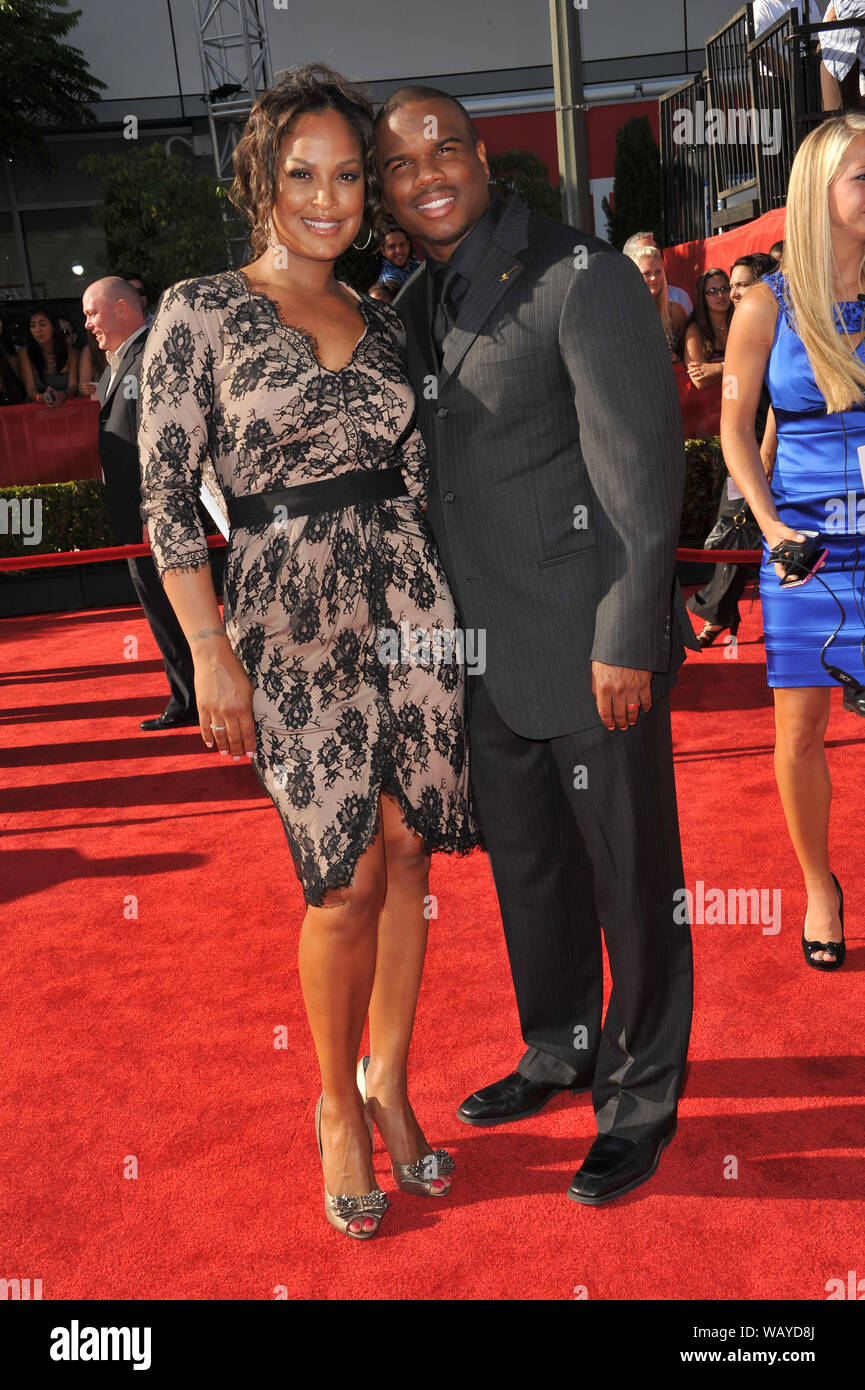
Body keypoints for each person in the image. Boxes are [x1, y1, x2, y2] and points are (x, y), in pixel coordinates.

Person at [137, 64, 478, 1241]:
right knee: (340, 875)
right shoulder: (199, 310)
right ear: (260, 181)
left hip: (410, 602)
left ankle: (389, 1076)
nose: (329, 198)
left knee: (406, 853)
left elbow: (428, 481)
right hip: (287, 618)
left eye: (346, 176)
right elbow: (168, 496)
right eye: (303, 176)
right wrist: (208, 652)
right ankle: (334, 1102)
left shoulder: (387, 316)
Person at [377, 86, 697, 1206]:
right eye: (402, 160)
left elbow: (640, 471)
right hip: (481, 656)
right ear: (385, 191)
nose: (427, 169)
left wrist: (626, 633)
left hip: (588, 644)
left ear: (481, 155)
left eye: (445, 146)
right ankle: (558, 1044)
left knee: (630, 877)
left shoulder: (580, 274)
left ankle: (642, 1093)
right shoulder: (413, 300)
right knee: (532, 873)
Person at [721, 111, 865, 972]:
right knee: (799, 729)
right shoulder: (762, 302)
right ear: (818, 192)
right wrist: (770, 524)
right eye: (861, 176)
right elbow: (735, 428)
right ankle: (818, 883)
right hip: (803, 544)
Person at [83, 275, 198, 733]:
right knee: (162, 608)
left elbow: (165, 440)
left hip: (159, 513)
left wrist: (156, 508)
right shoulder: (115, 364)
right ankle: (190, 697)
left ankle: (197, 698)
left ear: (122, 309)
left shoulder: (152, 353)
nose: (87, 323)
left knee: (181, 607)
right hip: (138, 515)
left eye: (93, 312)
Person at [688, 252, 778, 645]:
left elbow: (779, 396)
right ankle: (719, 611)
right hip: (744, 448)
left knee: (734, 525)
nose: (732, 293)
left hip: (766, 449)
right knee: (733, 525)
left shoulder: (774, 323)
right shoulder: (745, 323)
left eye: (740, 285)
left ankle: (716, 612)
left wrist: (767, 452)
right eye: (730, 286)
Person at [625, 243, 688, 360]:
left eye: (658, 271)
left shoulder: (674, 311)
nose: (653, 278)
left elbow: (689, 354)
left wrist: (678, 357)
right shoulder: (624, 315)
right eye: (646, 273)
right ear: (633, 276)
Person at [17, 303, 78, 405]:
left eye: (43, 324)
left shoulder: (71, 353)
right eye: (32, 326)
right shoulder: (24, 353)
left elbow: (73, 387)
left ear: (54, 326)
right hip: (37, 413)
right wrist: (41, 398)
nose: (38, 330)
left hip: (68, 411)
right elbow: (30, 390)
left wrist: (62, 395)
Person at [683, 268, 733, 391]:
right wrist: (736, 367)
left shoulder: (740, 321)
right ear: (703, 297)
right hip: (709, 406)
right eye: (712, 291)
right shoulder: (695, 330)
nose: (720, 295)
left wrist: (719, 368)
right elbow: (699, 380)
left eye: (725, 288)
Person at [621, 231, 693, 315]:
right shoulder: (620, 303)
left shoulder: (679, 297)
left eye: (656, 250)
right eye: (646, 251)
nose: (653, 255)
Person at [377, 222, 420, 289]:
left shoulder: (414, 264)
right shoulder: (390, 280)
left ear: (408, 245)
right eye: (392, 246)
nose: (398, 251)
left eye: (402, 244)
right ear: (383, 250)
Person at [78, 328, 107, 399]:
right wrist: (86, 389)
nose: (87, 324)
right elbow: (83, 386)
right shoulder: (89, 351)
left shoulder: (128, 346)